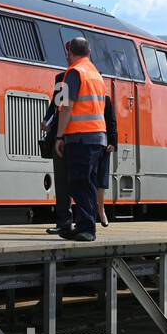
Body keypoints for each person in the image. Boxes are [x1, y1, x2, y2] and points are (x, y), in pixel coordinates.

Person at [55, 36, 108, 241]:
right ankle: (84, 225)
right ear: (89, 52)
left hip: (80, 137)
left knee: (78, 181)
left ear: (70, 53)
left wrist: (59, 136)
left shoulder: (74, 73)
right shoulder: (95, 74)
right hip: (97, 136)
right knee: (87, 182)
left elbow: (65, 107)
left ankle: (86, 228)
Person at [43, 71, 73, 237]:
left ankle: (86, 223)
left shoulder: (90, 76)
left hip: (81, 136)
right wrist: (47, 121)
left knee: (82, 181)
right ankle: (65, 223)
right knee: (61, 182)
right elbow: (55, 106)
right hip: (63, 137)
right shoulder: (63, 78)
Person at [96, 94, 117, 228]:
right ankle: (93, 211)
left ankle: (101, 209)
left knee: (101, 181)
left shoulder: (106, 99)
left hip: (103, 144)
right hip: (86, 142)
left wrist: (113, 142)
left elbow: (112, 121)